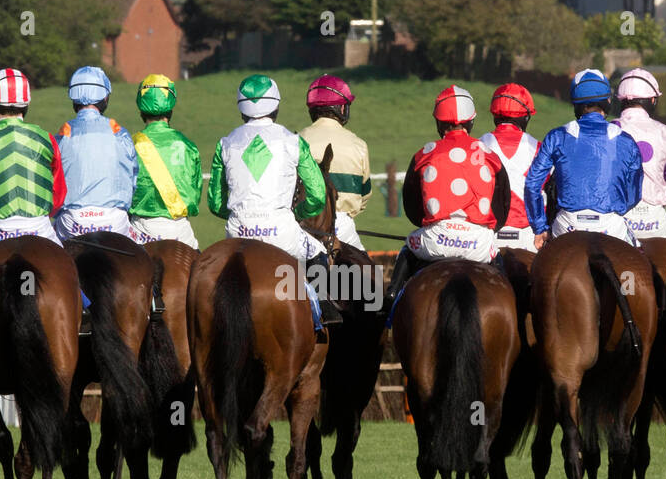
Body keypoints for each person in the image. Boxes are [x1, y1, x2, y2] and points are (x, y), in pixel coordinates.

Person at [208, 74, 342, 325]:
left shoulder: (224, 143)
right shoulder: (294, 142)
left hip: (238, 233)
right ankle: (324, 306)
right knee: (318, 251)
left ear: (241, 108)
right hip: (281, 233)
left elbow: (215, 202)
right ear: (276, 106)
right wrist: (298, 214)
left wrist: (243, 214)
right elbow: (315, 194)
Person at [382, 85, 511, 308]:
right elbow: (503, 207)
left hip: (436, 240)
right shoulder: (489, 154)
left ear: (439, 122)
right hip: (479, 243)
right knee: (507, 291)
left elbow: (413, 209)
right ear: (471, 121)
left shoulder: (425, 152)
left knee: (408, 246)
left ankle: (390, 299)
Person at [524, 69, 643, 249]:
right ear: (608, 101)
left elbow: (533, 184)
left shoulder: (557, 136)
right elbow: (634, 193)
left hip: (567, 226)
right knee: (640, 265)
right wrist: (615, 208)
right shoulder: (626, 140)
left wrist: (540, 227)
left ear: (575, 104)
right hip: (611, 226)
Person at [0, 68, 67, 262]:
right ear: (26, 104)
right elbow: (58, 194)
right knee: (73, 277)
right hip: (40, 230)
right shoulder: (48, 139)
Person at [52, 66, 138, 240]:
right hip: (115, 222)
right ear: (105, 97)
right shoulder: (119, 132)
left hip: (72, 223)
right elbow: (133, 178)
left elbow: (53, 180)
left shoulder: (64, 133)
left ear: (73, 98)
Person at [127, 74, 202, 249]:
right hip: (179, 231)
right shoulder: (188, 145)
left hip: (139, 230)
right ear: (171, 109)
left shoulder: (130, 144)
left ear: (141, 110)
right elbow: (195, 197)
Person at [299, 74, 371, 250]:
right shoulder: (359, 145)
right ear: (342, 108)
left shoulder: (296, 141)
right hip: (343, 226)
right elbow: (364, 196)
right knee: (369, 276)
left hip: (303, 228)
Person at [612, 68, 666, 240]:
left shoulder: (607, 131)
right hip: (655, 222)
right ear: (652, 100)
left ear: (621, 100)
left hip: (617, 222)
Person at [478, 83, 541, 251]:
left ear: (494, 115)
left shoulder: (478, 146)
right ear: (525, 117)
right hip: (530, 239)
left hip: (487, 238)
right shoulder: (538, 148)